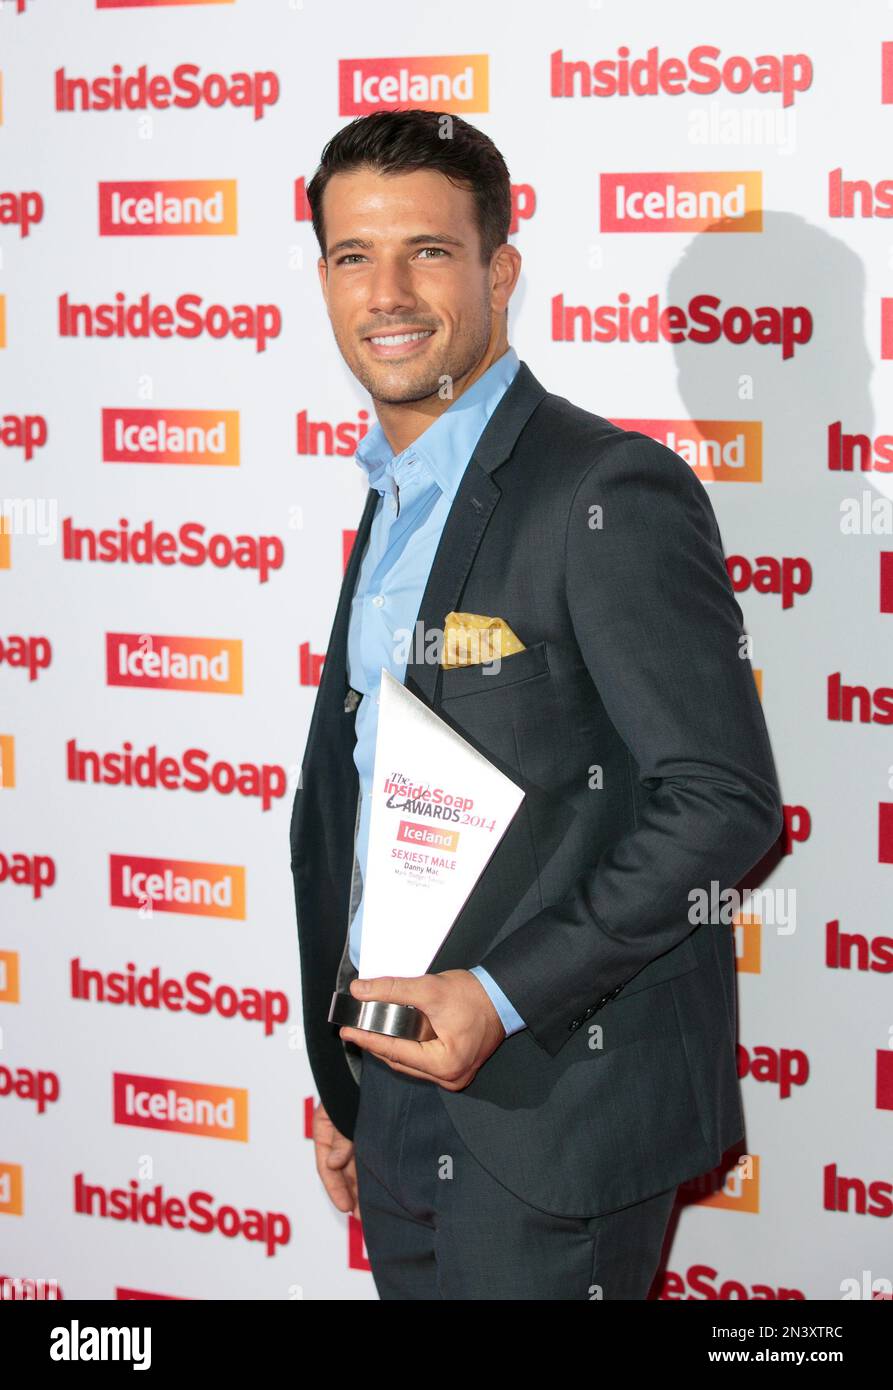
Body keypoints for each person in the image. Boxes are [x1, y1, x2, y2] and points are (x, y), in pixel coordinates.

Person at [289, 109, 784, 1300]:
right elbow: (369, 801)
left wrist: (495, 997)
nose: (388, 292)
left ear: (499, 271)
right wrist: (351, 1074)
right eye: (354, 256)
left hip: (552, 1110)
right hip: (391, 1087)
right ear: (322, 280)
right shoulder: (392, 492)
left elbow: (720, 804)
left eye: (429, 251)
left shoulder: (601, 487)